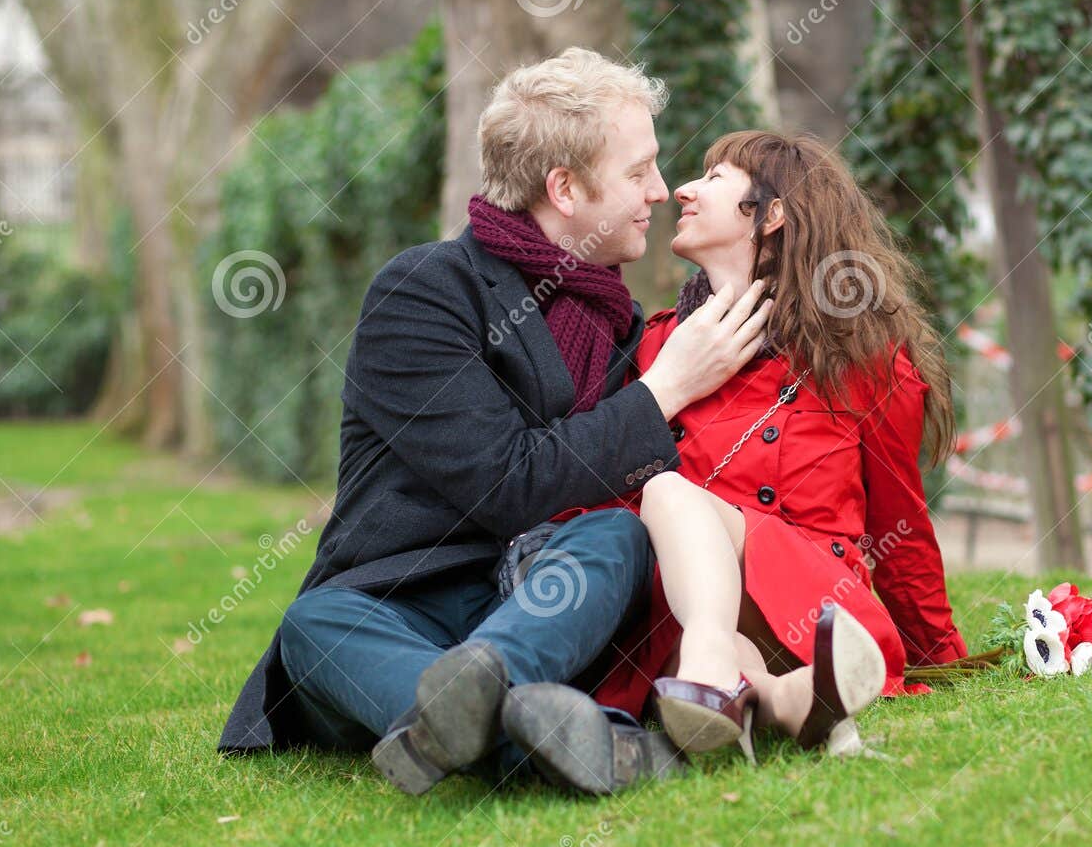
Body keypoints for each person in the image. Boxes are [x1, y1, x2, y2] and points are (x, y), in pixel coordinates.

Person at [217, 49, 772, 797]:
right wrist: (662, 390)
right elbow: (508, 482)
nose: (660, 188)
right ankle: (557, 735)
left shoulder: (619, 322)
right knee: (315, 623)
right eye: (638, 170)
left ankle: (476, 715)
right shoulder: (424, 292)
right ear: (565, 188)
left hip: (544, 604)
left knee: (618, 535)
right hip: (398, 605)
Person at [588, 131, 970, 757]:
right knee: (671, 532)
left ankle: (715, 663)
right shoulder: (659, 347)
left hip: (811, 604)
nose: (681, 189)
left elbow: (901, 522)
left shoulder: (863, 359)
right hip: (682, 605)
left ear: (773, 212)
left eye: (714, 178)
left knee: (667, 489)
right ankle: (777, 699)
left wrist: (940, 656)